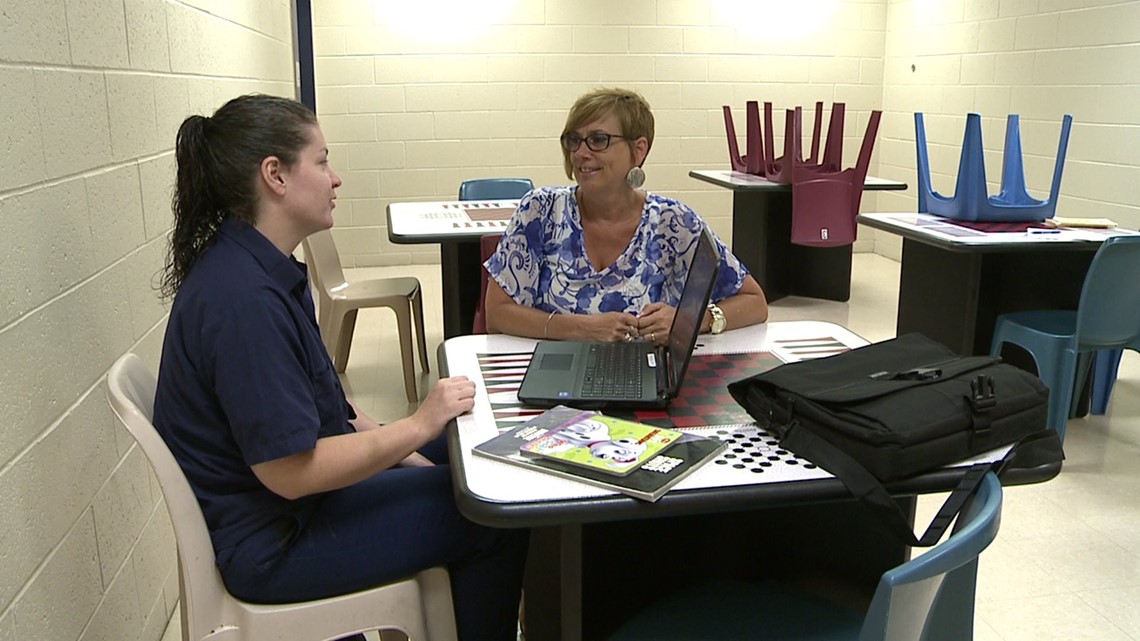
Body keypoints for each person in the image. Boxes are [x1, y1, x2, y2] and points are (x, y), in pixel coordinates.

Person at [152, 94, 527, 641]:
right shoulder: (243, 302)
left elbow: (336, 411)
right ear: (275, 175)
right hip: (276, 541)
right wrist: (416, 426)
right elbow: (288, 472)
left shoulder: (262, 267)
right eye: (322, 161)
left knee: (468, 455)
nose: (336, 178)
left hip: (296, 508)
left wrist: (409, 451)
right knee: (493, 516)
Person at [484, 88, 768, 343]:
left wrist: (693, 320)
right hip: (549, 374)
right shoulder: (541, 211)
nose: (581, 153)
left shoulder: (673, 223)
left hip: (642, 378)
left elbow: (755, 302)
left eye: (598, 140)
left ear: (638, 150)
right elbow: (497, 314)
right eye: (574, 140)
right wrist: (580, 329)